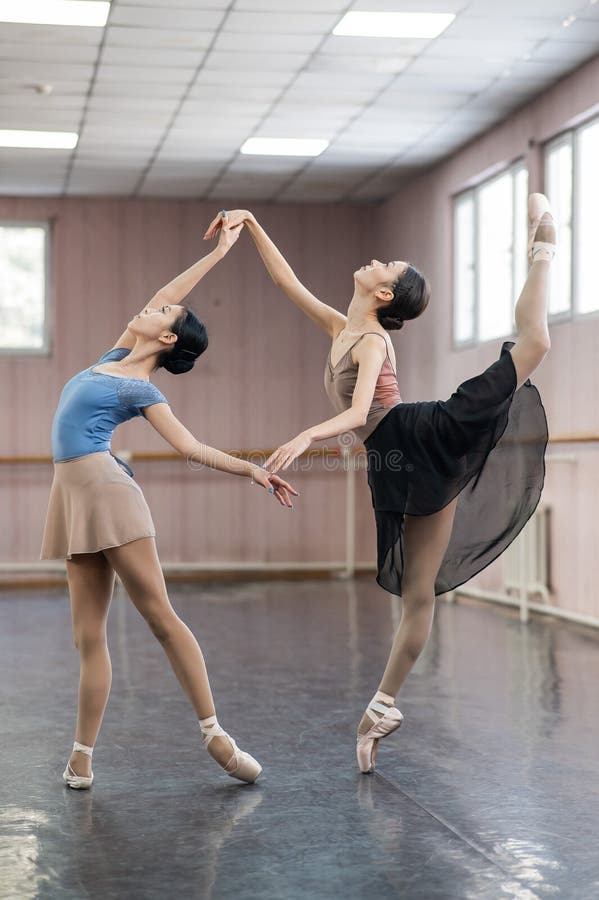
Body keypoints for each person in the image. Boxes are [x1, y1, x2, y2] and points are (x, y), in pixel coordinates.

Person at [203, 196, 553, 774]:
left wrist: (309, 434)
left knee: (533, 345)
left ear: (384, 294)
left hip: (423, 436)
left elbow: (361, 408)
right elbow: (287, 281)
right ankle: (382, 709)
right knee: (418, 596)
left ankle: (543, 247)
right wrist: (254, 223)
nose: (376, 261)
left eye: (386, 265)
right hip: (395, 455)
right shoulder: (342, 326)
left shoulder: (370, 341)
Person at [42, 214, 298, 789]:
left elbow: (191, 446)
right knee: (88, 637)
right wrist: (220, 253)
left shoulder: (140, 388)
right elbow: (168, 294)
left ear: (166, 340)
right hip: (74, 499)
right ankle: (81, 756)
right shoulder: (112, 359)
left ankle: (215, 733)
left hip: (110, 495)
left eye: (162, 316)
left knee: (160, 617)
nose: (153, 306)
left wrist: (253, 471)